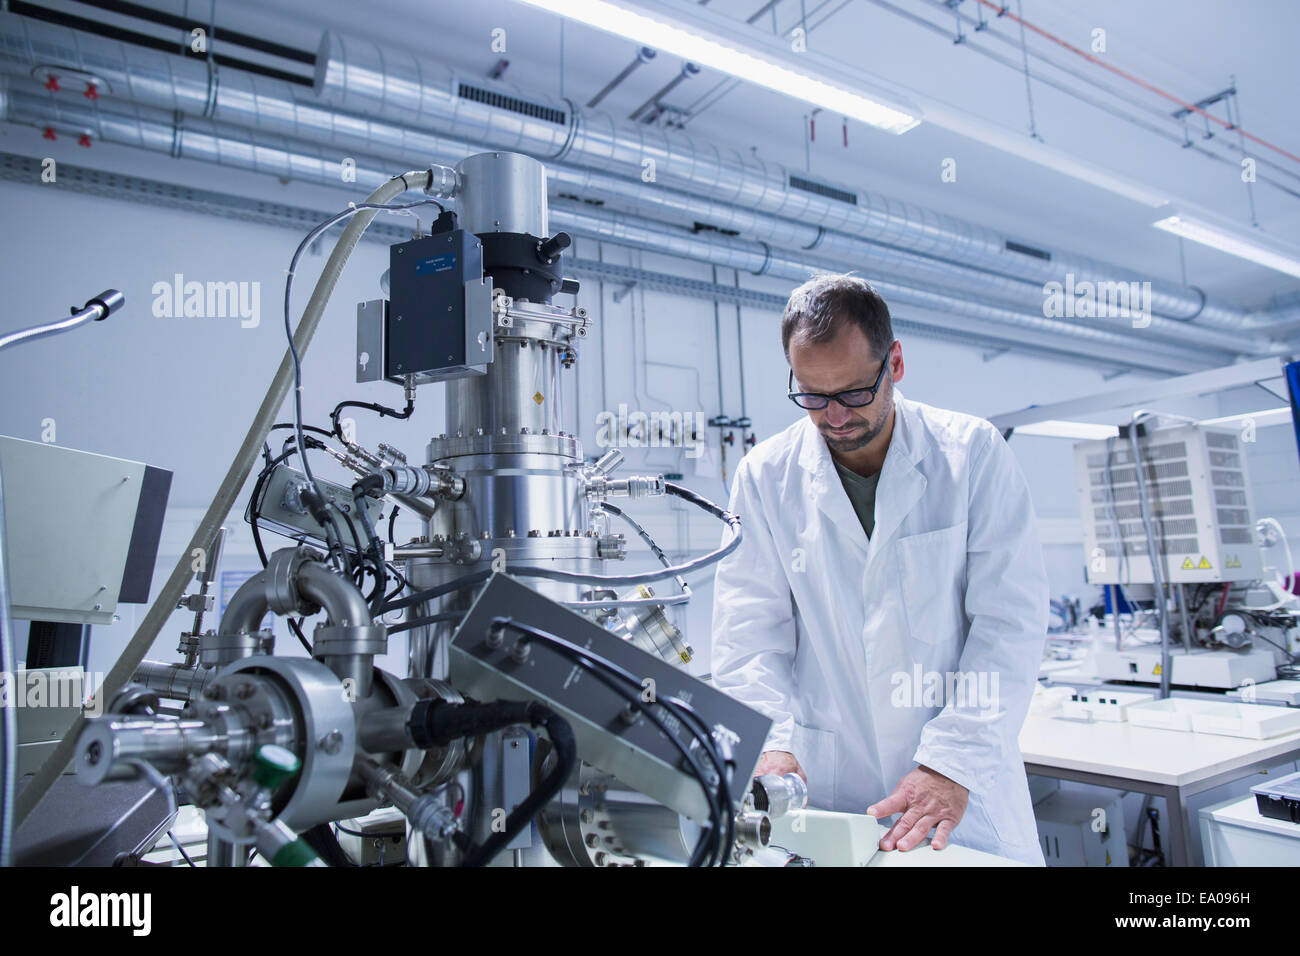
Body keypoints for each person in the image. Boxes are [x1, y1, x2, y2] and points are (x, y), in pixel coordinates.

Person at [711, 273, 1049, 865]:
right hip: (832, 792)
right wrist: (773, 745)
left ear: (893, 363)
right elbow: (747, 638)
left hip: (961, 795)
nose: (834, 416)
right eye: (812, 395)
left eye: (852, 393)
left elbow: (1008, 626)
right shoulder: (764, 477)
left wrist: (952, 764)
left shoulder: (970, 454)